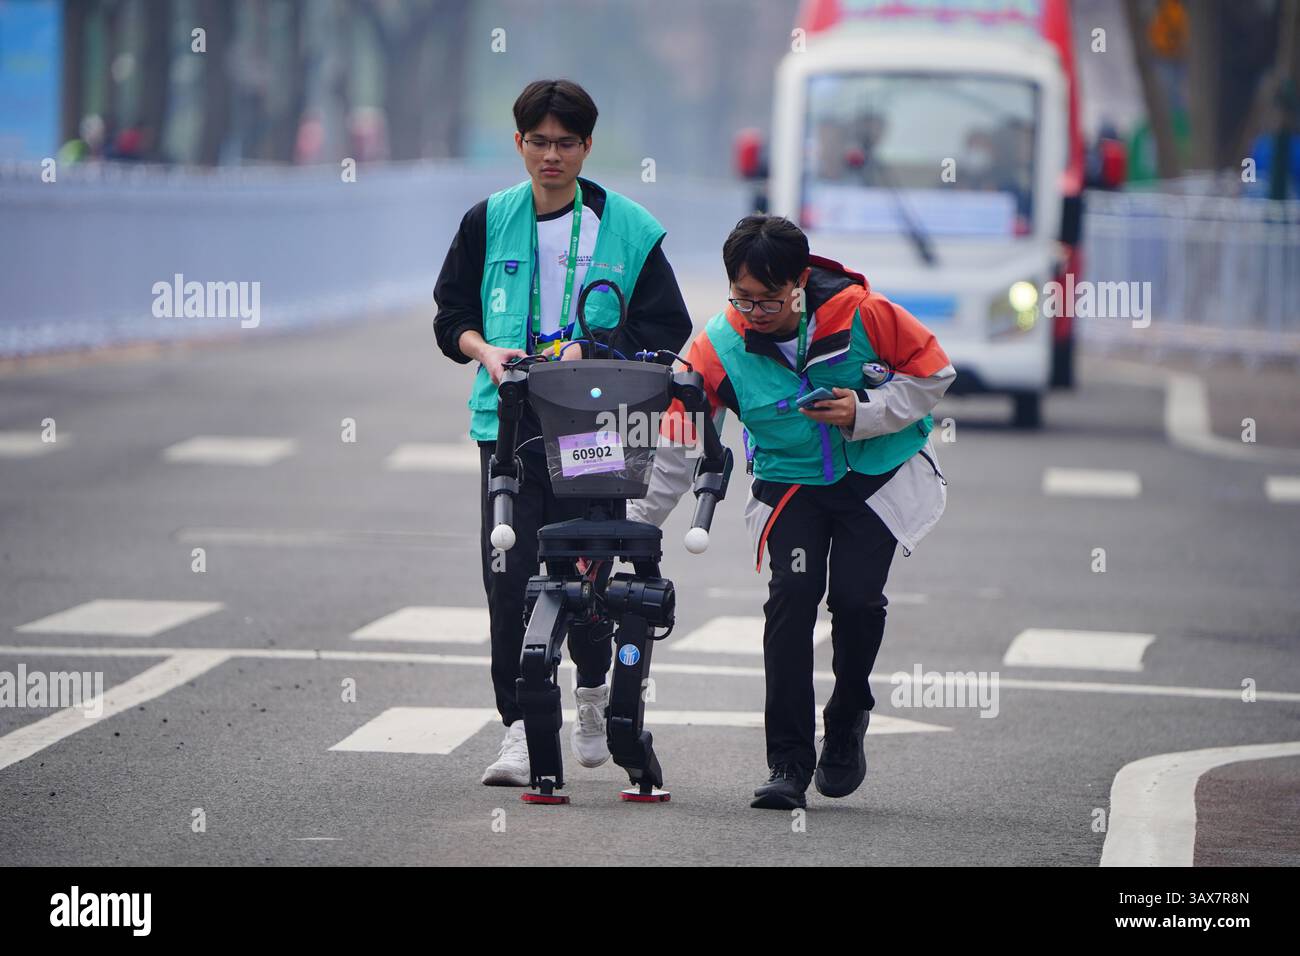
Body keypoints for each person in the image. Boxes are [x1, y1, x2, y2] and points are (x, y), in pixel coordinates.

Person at [629, 215, 954, 809]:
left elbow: (933, 374)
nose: (754, 313)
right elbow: (681, 445)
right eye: (742, 299)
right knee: (790, 603)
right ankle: (787, 764)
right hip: (793, 488)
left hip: (874, 480)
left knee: (856, 600)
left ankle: (850, 711)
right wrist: (636, 525)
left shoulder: (864, 314)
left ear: (800, 282)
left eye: (769, 300)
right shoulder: (714, 347)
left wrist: (866, 409)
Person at [433, 79, 693, 786]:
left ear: (586, 147)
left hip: (593, 423)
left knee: (585, 570)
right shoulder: (485, 222)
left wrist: (593, 349)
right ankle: (519, 728)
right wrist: (484, 352)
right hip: (508, 422)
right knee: (506, 578)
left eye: (566, 143)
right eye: (539, 142)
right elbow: (449, 315)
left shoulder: (628, 228)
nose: (552, 155)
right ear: (519, 143)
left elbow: (670, 329)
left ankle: (589, 694)